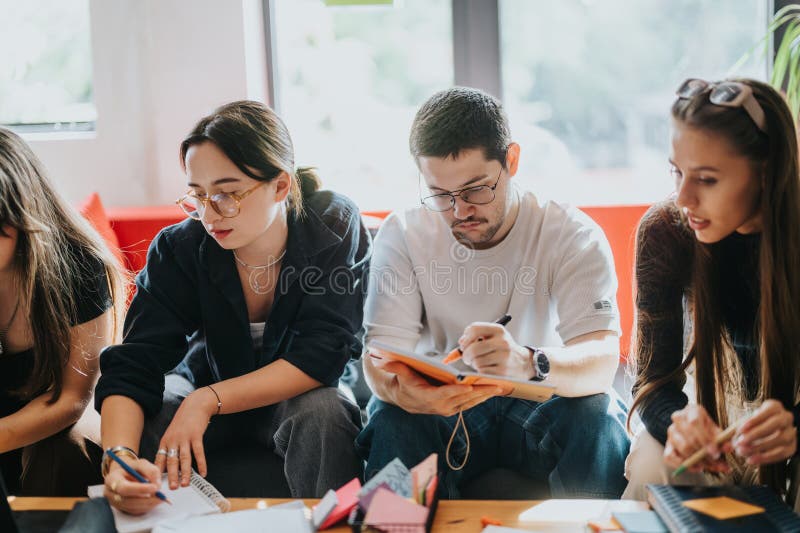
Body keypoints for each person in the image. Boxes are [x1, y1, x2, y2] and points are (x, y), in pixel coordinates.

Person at [356, 87, 630, 499]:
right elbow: (379, 356)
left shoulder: (569, 232)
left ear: (512, 160)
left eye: (476, 190)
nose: (460, 210)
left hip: (541, 405)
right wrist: (401, 392)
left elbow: (602, 362)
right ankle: (392, 529)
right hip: (446, 410)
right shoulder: (405, 232)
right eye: (441, 195)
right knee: (391, 417)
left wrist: (526, 362)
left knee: (597, 414)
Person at [96, 100, 369, 514]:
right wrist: (118, 459)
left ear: (281, 185)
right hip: (205, 379)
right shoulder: (180, 247)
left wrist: (206, 400)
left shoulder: (331, 222)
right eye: (198, 195)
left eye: (227, 194)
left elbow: (322, 354)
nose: (209, 214)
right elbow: (136, 362)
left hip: (301, 391)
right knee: (155, 411)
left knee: (325, 412)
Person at [623, 78, 800, 504]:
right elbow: (654, 380)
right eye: (677, 171)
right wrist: (677, 425)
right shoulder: (666, 232)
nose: (683, 198)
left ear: (765, 172)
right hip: (712, 428)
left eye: (706, 179)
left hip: (788, 438)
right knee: (651, 462)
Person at [0, 127, 124, 495]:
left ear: (23, 220)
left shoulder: (79, 267)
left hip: (54, 414)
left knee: (61, 454)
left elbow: (72, 399)